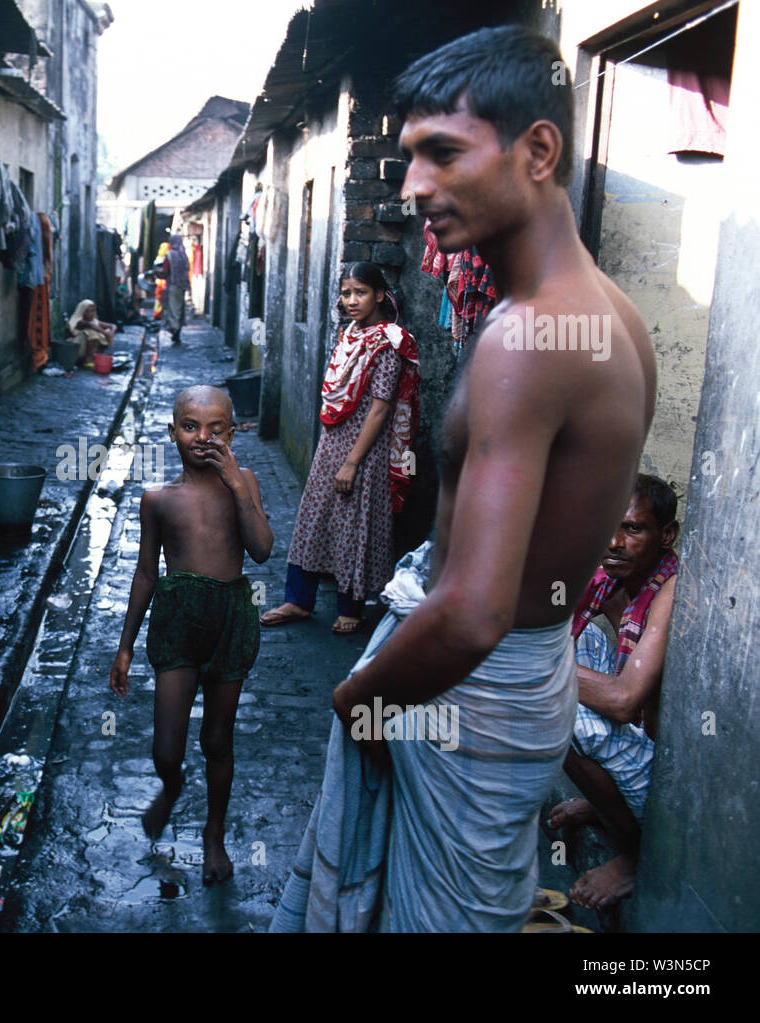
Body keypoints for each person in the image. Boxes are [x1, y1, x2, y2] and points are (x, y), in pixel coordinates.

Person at [271, 25, 656, 932]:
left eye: (442, 153)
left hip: (472, 690)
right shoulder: (615, 315)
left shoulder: (527, 340)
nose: (412, 188)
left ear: (539, 149)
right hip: (524, 681)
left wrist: (355, 698)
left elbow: (475, 611)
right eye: (407, 158)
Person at [111, 385, 273, 884]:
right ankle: (171, 784)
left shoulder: (243, 482)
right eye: (190, 427)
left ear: (232, 431)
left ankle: (214, 834)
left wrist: (237, 485)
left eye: (216, 429)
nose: (203, 438)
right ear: (172, 431)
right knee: (167, 750)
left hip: (229, 620)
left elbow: (263, 550)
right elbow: (144, 573)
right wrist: (124, 646)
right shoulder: (159, 499)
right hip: (177, 621)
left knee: (218, 739)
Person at [259, 262, 420, 634]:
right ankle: (298, 600)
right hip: (331, 442)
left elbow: (380, 409)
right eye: (346, 293)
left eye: (360, 292)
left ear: (380, 294)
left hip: (364, 450)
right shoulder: (351, 334)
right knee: (313, 518)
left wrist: (352, 463)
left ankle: (352, 606)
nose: (351, 300)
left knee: (354, 523)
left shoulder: (390, 343)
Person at [548, 474, 679, 908]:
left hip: (666, 780)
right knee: (569, 640)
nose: (615, 541)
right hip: (638, 744)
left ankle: (637, 856)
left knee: (554, 710)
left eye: (633, 528)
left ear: (667, 535)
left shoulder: (672, 589)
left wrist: (531, 668)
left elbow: (624, 702)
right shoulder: (609, 578)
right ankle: (604, 804)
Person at [67, 299, 116, 368]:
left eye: (93, 311)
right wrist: (106, 334)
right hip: (77, 350)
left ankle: (97, 357)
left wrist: (110, 333)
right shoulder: (78, 321)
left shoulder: (94, 321)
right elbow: (89, 325)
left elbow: (113, 326)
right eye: (87, 311)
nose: (91, 313)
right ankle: (87, 360)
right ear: (82, 312)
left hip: (87, 349)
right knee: (93, 332)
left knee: (106, 331)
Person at [161, 233, 189, 341]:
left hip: (173, 285)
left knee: (173, 309)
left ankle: (175, 331)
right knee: (180, 309)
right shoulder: (183, 255)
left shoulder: (170, 255)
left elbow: (165, 271)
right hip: (182, 286)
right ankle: (177, 331)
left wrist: (156, 273)